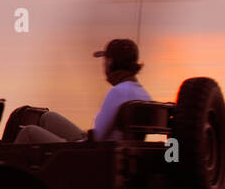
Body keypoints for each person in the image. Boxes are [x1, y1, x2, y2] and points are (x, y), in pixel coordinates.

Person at [14, 38, 151, 143]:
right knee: (48, 117)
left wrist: (76, 141)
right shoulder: (144, 95)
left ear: (110, 62)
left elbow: (97, 137)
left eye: (105, 60)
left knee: (29, 132)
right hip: (110, 150)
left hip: (92, 155)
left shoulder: (118, 92)